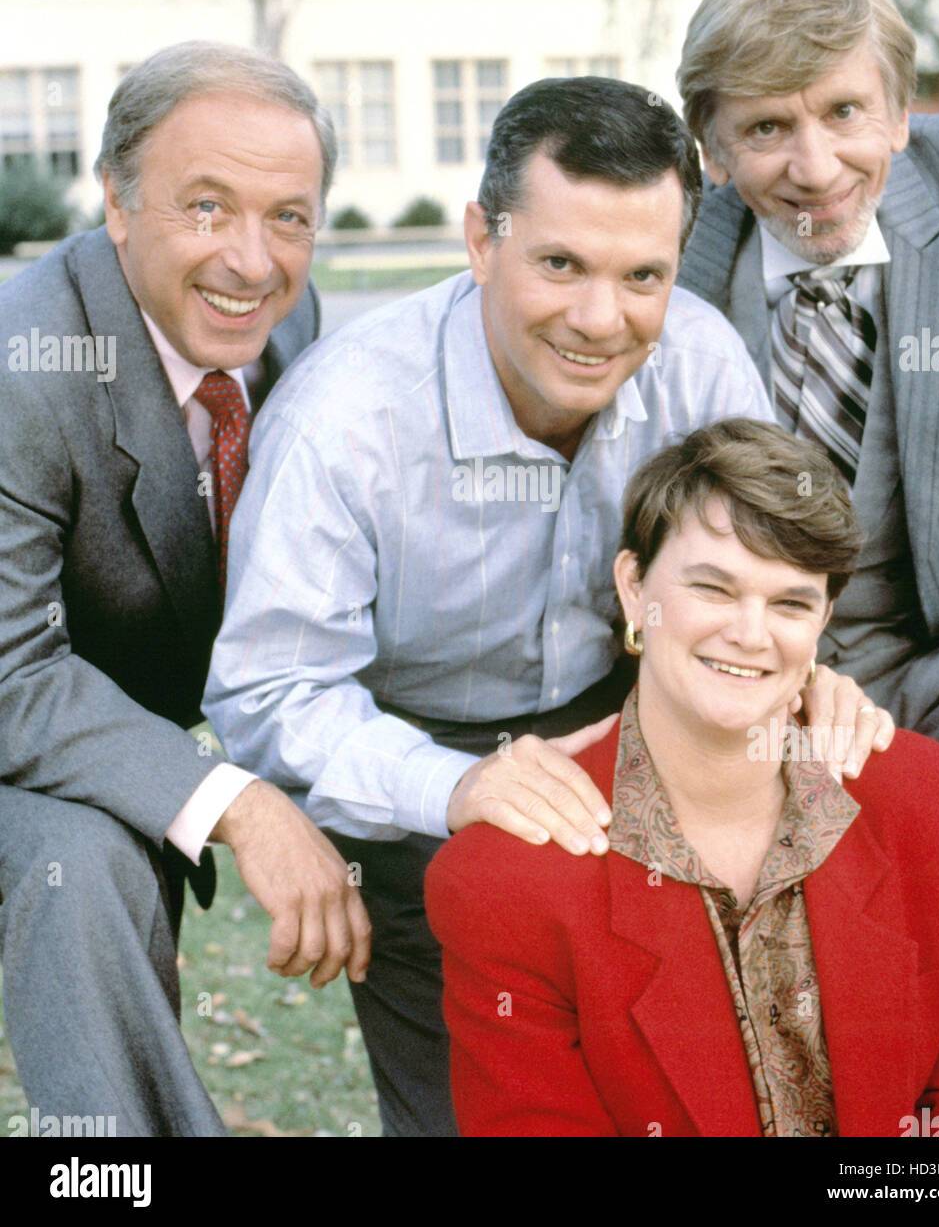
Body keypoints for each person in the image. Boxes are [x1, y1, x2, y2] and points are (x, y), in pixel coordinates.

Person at [205, 76, 893, 1137]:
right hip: (409, 760)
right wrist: (458, 785)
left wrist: (805, 678)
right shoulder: (343, 420)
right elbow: (272, 687)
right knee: (481, 1118)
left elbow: (771, 567)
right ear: (482, 239)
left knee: (704, 1086)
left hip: (631, 724)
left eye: (641, 275)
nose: (597, 318)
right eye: (559, 264)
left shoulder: (699, 359)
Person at [427, 418, 939, 1137]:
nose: (751, 632)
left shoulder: (930, 801)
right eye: (713, 588)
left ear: (824, 618)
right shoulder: (503, 882)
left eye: (791, 603)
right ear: (635, 588)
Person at [0, 42, 369, 1138]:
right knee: (81, 859)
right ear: (115, 202)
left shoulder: (279, 323)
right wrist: (239, 807)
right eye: (206, 207)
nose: (253, 261)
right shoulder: (23, 370)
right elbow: (9, 675)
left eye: (289, 217)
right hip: (22, 720)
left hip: (114, 718)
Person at [674, 0, 939, 942]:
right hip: (751, 683)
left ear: (901, 113)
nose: (815, 169)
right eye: (767, 127)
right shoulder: (663, 264)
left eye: (844, 114)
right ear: (712, 147)